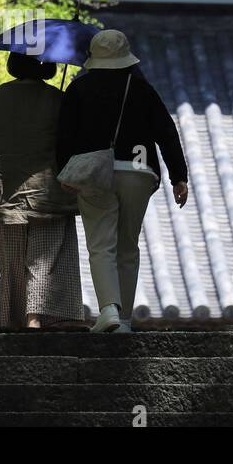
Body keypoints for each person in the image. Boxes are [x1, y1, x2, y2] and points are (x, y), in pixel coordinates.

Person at [56, 30, 188, 333]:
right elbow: (166, 132)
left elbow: (64, 134)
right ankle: (125, 319)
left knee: (102, 244)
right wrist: (178, 177)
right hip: (139, 172)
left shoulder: (79, 89)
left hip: (94, 173)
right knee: (128, 245)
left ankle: (109, 311)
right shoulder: (142, 88)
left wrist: (64, 170)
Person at [0, 52, 84, 329]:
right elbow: (75, 144)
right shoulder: (58, 99)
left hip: (7, 194)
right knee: (46, 260)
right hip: (50, 194)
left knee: (12, 262)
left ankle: (16, 320)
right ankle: (36, 318)